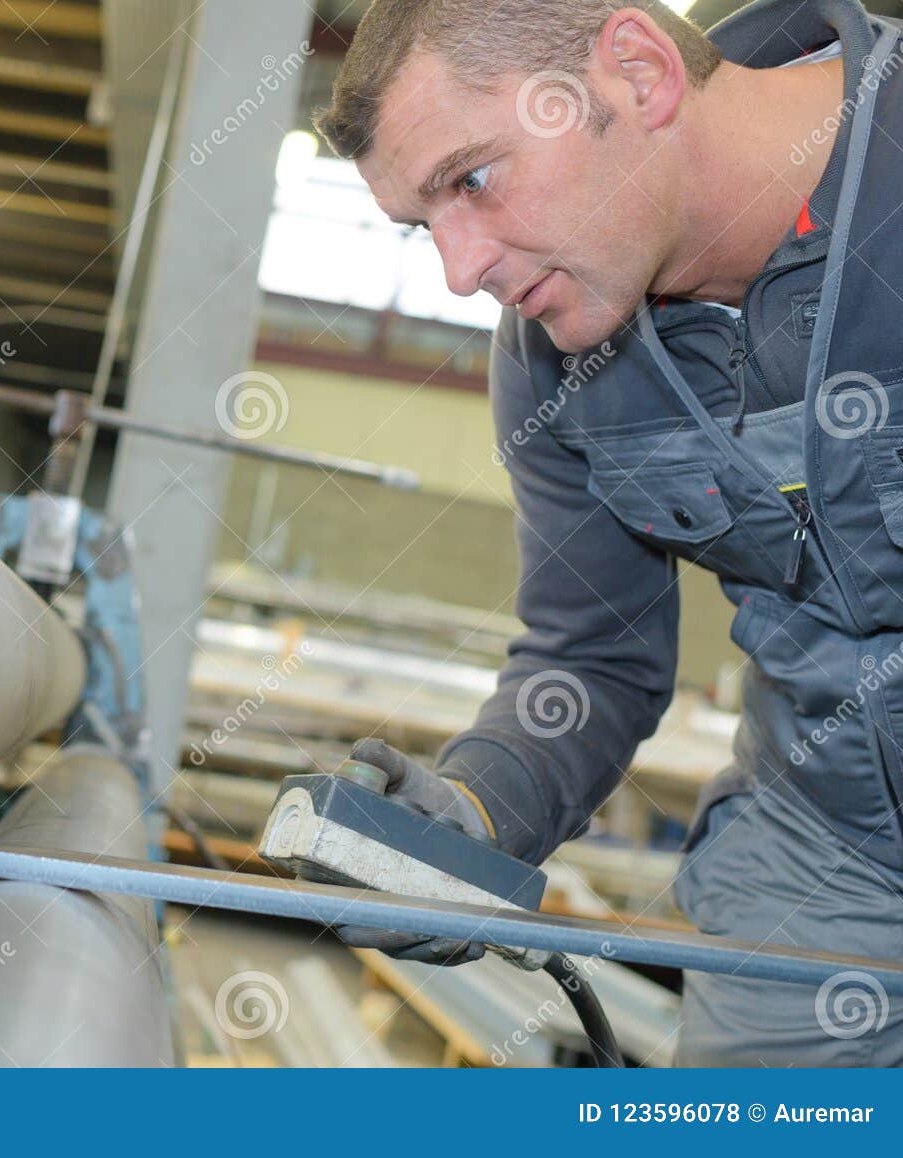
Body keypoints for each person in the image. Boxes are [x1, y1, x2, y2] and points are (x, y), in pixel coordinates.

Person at [313, 0, 903, 1065]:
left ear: (636, 70)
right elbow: (593, 655)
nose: (457, 270)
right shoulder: (554, 362)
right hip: (821, 853)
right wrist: (470, 817)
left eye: (472, 180)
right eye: (421, 224)